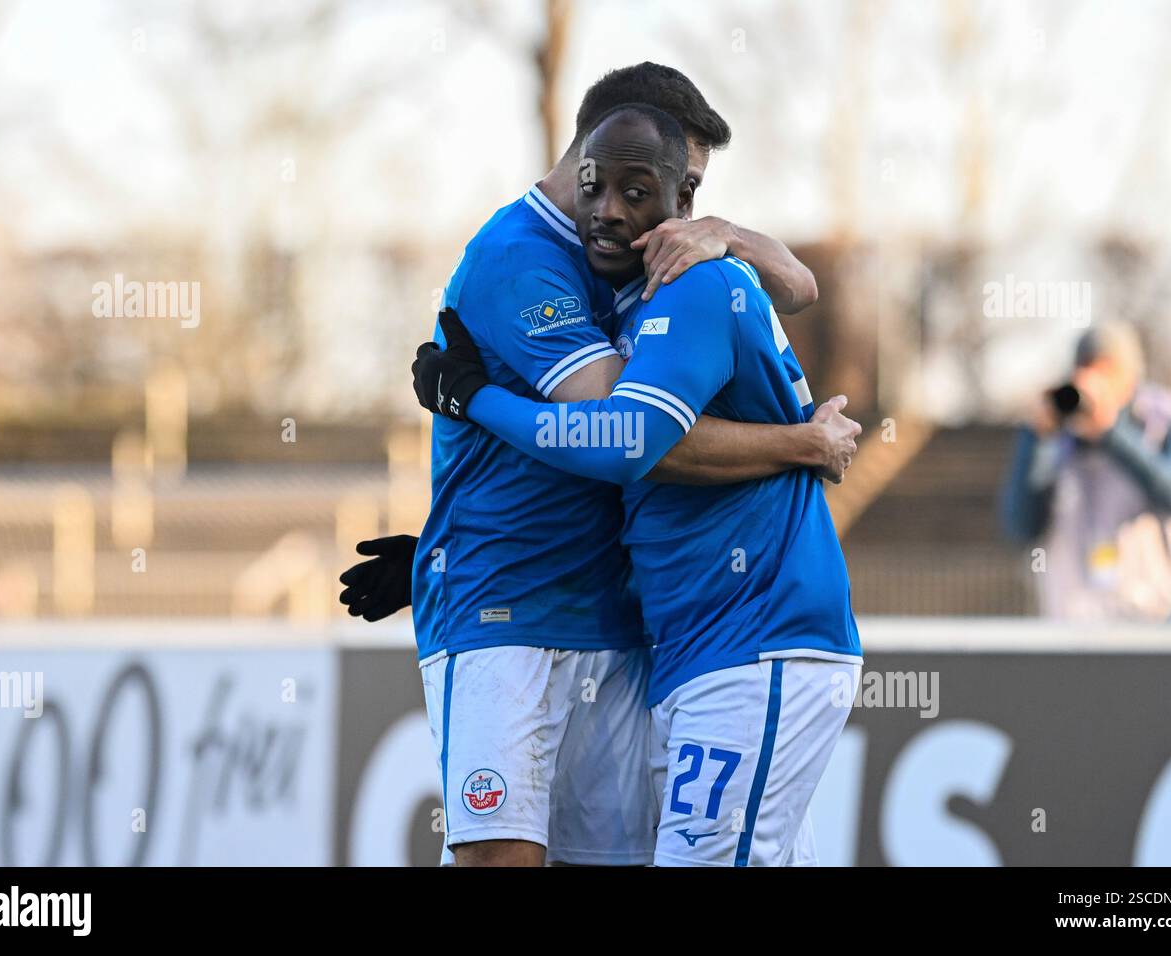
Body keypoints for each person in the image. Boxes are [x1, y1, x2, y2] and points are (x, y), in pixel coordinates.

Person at [343, 64, 860, 867]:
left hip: (615, 621)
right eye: (681, 184)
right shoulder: (520, 258)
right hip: (506, 607)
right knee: (501, 858)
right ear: (607, 152)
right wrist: (798, 444)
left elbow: (798, 283)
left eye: (685, 194)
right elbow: (625, 432)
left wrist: (727, 233)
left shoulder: (645, 251)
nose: (679, 211)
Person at [1000, 321, 1171, 621]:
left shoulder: (1168, 421)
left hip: (1163, 629)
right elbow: (1020, 525)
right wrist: (1037, 440)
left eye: (1105, 372)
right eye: (1085, 372)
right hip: (1079, 630)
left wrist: (1111, 433)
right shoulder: (1056, 434)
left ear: (1131, 376)